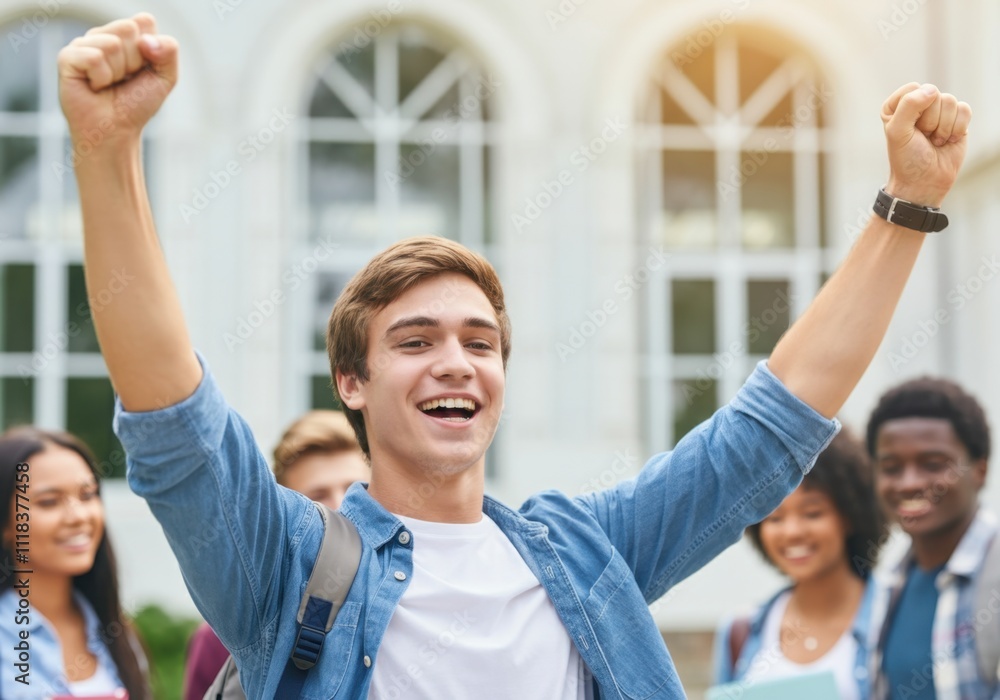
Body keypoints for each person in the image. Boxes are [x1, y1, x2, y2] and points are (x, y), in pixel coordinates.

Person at [56, 12, 972, 698]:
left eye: (480, 341)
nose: (457, 361)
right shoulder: (286, 564)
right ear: (352, 382)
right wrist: (106, 152)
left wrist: (907, 206)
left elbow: (770, 427)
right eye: (415, 341)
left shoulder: (586, 553)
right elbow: (177, 423)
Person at [182, 410, 368, 700]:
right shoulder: (220, 638)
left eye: (354, 491)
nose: (341, 507)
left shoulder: (409, 605)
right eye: (318, 497)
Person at [712, 430, 888, 699]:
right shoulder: (739, 632)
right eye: (775, 517)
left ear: (850, 516)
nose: (792, 532)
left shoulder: (892, 618)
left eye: (812, 513)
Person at [867, 378, 996, 699]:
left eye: (933, 465)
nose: (909, 483)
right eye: (891, 467)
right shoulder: (889, 586)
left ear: (979, 471)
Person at [0, 427, 151, 700]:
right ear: (5, 525)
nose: (78, 516)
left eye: (87, 495)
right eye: (49, 502)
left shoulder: (116, 631)